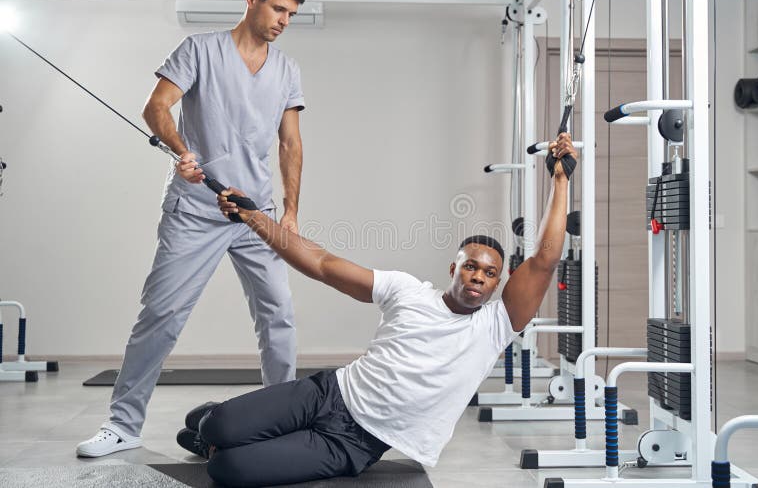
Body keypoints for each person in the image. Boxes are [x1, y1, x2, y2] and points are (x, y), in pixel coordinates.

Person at [174, 134, 578, 487]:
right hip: (328, 393)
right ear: (454, 269)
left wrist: (559, 180)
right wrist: (252, 217)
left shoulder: (495, 325)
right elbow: (323, 265)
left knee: (226, 468)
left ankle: (219, 437)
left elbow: (544, 259)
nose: (478, 277)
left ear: (496, 284)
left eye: (490, 273)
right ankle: (216, 425)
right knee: (217, 426)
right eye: (470, 266)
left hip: (352, 443)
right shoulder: (407, 291)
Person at [77, 0, 307, 458]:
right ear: (251, 0)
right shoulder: (199, 49)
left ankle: (280, 419)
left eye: (291, 14)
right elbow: (156, 108)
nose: (284, 21)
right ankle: (122, 424)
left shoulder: (286, 69)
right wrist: (181, 150)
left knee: (279, 316)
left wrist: (289, 212)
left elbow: (290, 143)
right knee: (161, 314)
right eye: (278, 9)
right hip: (196, 210)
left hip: (254, 214)